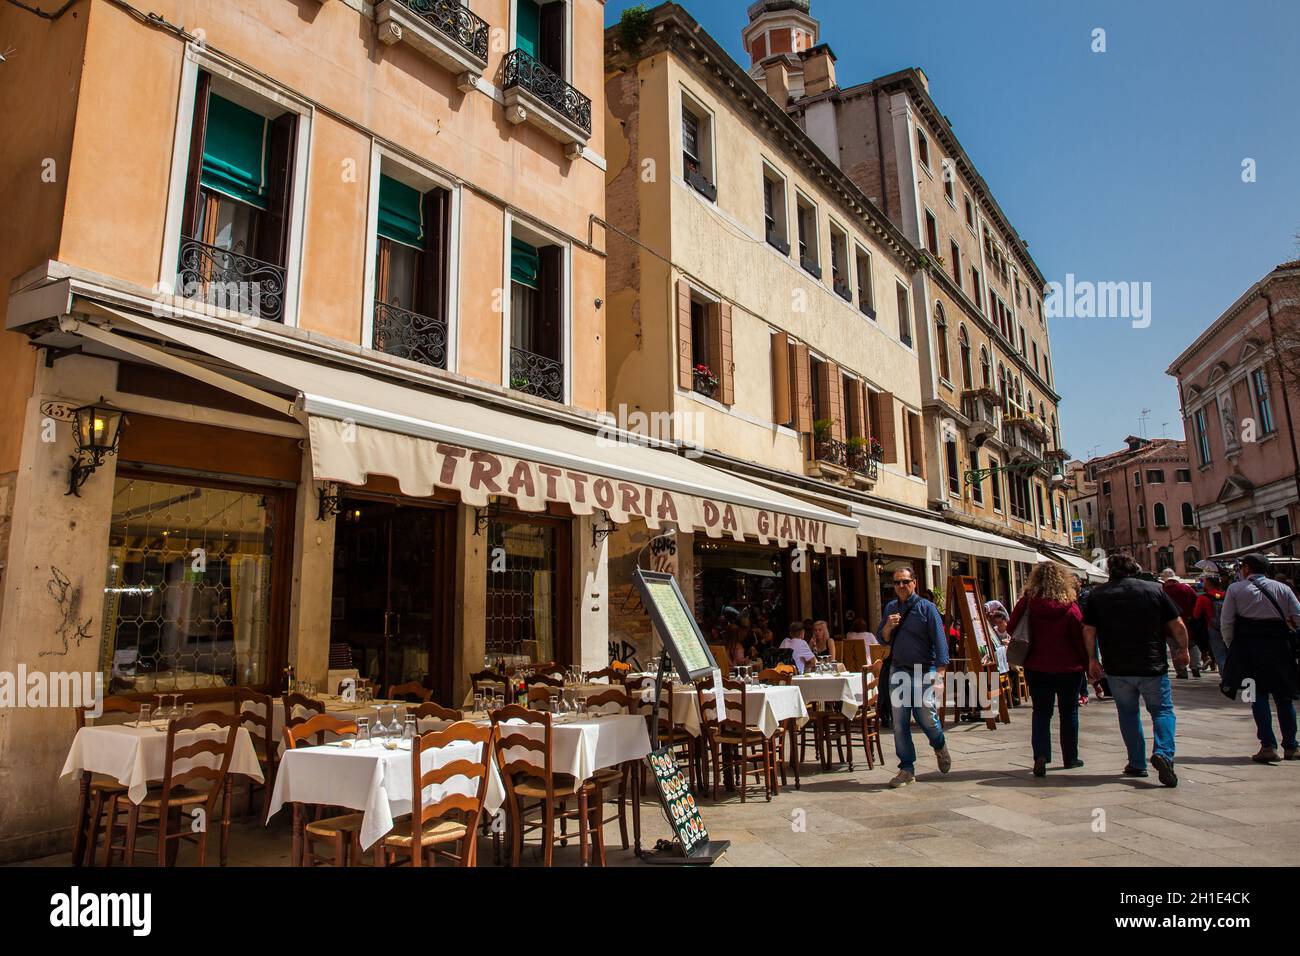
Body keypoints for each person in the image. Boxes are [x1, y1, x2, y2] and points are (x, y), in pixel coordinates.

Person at [1083, 554, 1190, 787]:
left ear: (1110, 570)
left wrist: (1092, 659)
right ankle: (1163, 752)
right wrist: (1183, 649)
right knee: (1162, 711)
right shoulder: (1154, 590)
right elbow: (1178, 624)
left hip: (1117, 666)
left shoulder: (1097, 595)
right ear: (1135, 568)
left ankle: (1137, 763)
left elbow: (1089, 630)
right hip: (1151, 664)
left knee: (1128, 713)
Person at [1009, 563, 1088, 777]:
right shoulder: (1070, 606)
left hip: (1037, 666)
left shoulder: (1027, 603)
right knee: (1069, 712)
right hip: (1069, 667)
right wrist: (1088, 664)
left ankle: (1041, 755)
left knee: (1041, 712)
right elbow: (1080, 637)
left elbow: (1011, 628)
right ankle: (1070, 757)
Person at [1221, 554, 1300, 763]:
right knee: (1284, 697)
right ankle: (1292, 746)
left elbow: (1227, 622)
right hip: (1279, 647)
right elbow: (1298, 616)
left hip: (1248, 649)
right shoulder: (1283, 588)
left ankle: (1267, 746)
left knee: (1256, 697)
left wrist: (1231, 646)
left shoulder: (1236, 589)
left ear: (1247, 568)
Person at [878, 567, 951, 787]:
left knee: (926, 717)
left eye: (905, 581)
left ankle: (939, 744)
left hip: (923, 670)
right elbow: (882, 639)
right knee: (899, 723)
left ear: (914, 583)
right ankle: (906, 768)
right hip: (898, 670)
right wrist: (889, 627)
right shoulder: (890, 607)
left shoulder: (927, 608)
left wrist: (940, 675)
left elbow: (940, 641)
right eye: (897, 582)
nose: (900, 586)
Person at [1161, 568, 1201, 678]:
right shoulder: (1186, 588)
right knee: (1192, 645)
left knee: (1174, 648)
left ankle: (1181, 671)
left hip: (1170, 626)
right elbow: (1196, 602)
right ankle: (1195, 668)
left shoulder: (1163, 592)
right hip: (1189, 622)